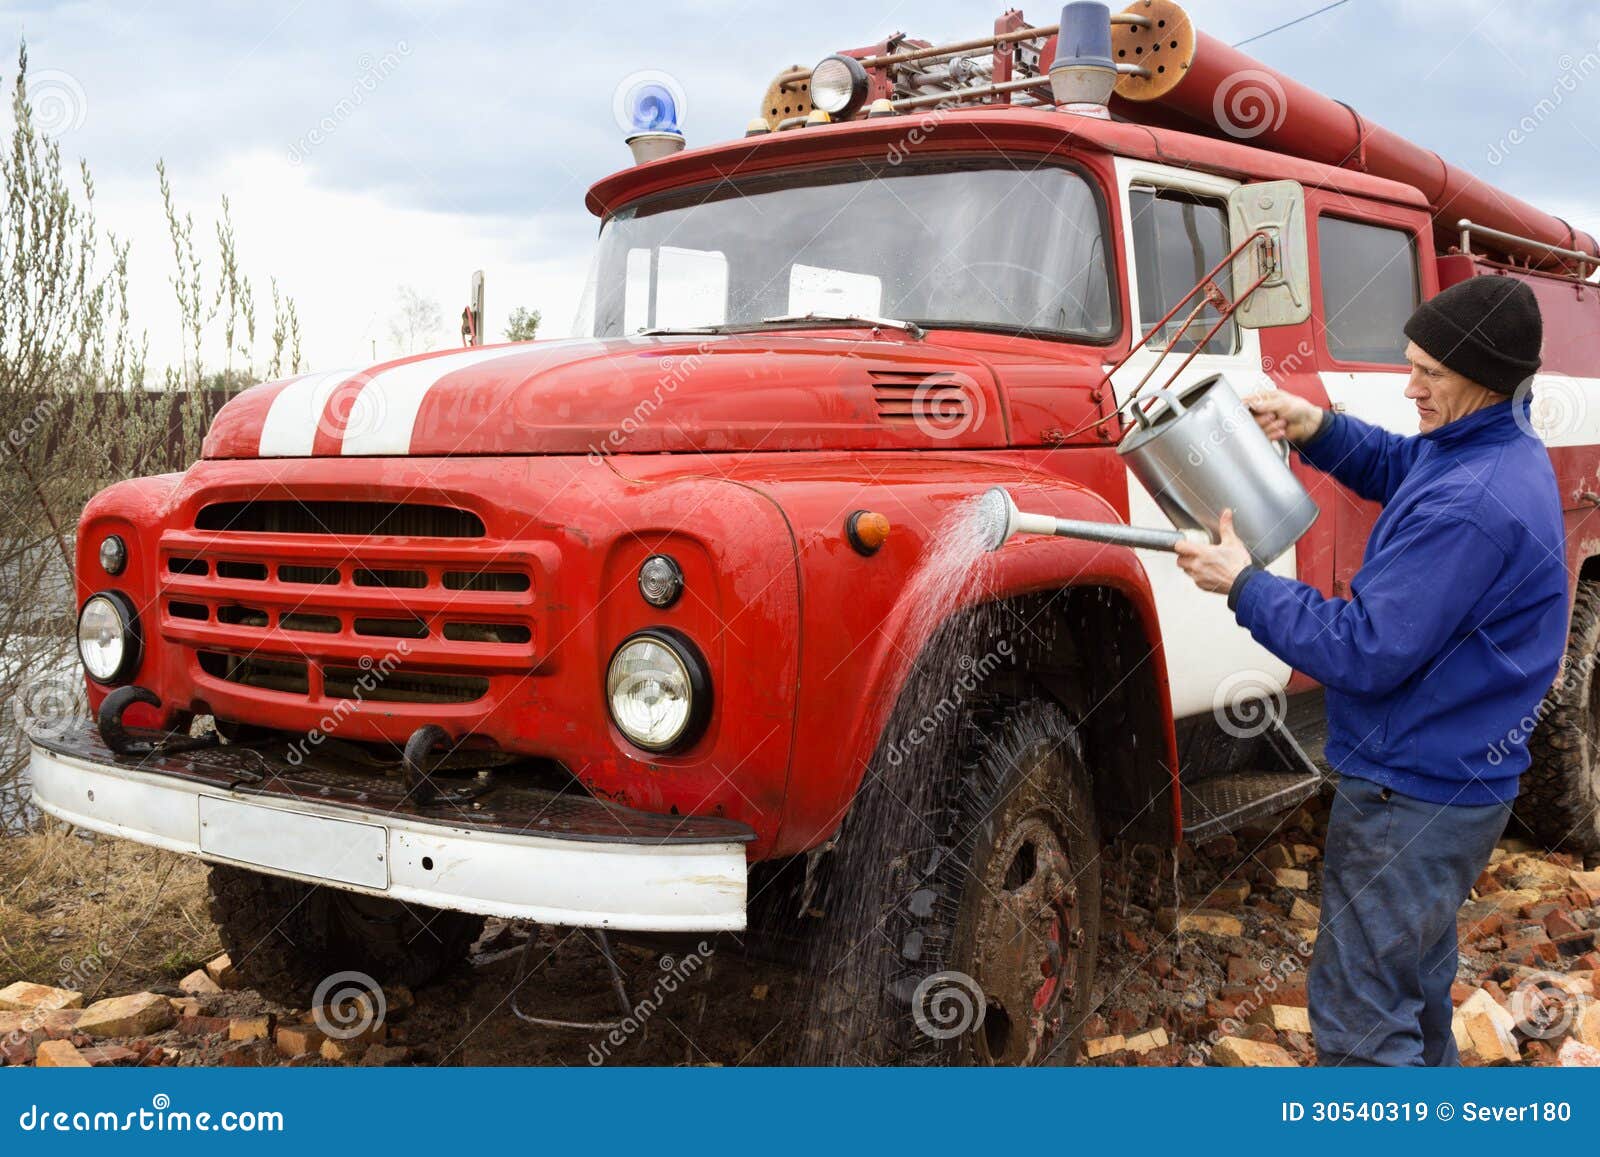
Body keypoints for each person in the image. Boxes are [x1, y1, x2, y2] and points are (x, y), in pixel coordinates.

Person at [1173, 276, 1568, 1066]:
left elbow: (1363, 648)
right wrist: (1315, 427)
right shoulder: (1491, 446)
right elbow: (1407, 464)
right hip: (1451, 786)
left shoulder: (1471, 505)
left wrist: (1243, 583)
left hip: (1410, 794)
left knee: (1361, 1022)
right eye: (1409, 363)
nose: (1409, 384)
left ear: (1484, 376)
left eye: (1429, 372)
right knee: (1415, 988)